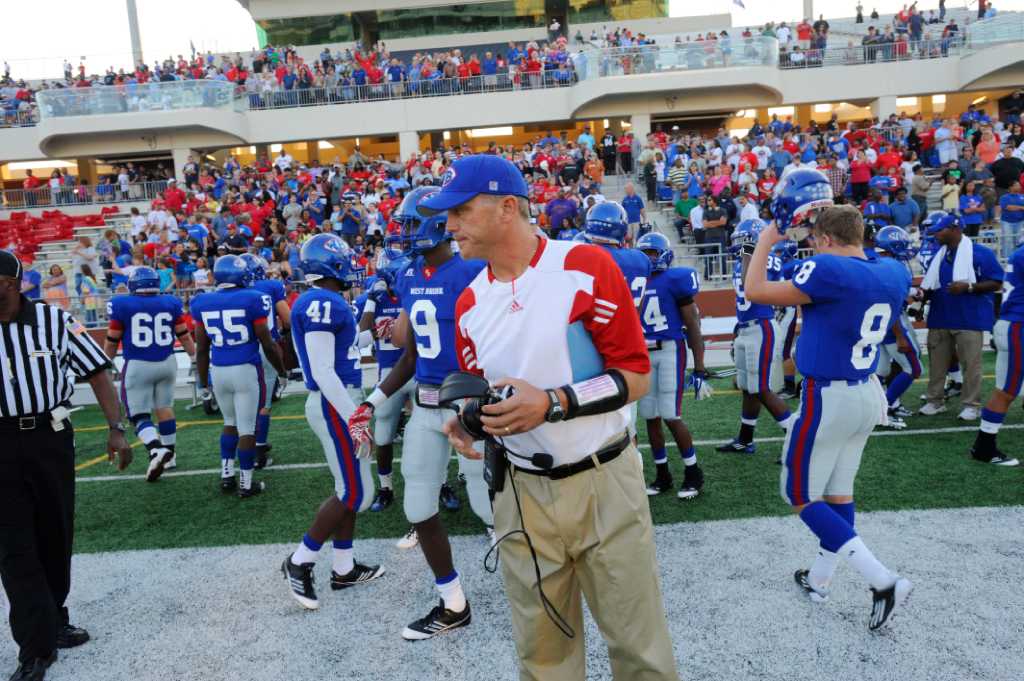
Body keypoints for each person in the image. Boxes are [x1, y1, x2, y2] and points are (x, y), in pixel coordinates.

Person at [429, 154, 680, 680]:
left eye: (461, 210)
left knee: (640, 650)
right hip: (519, 493)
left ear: (506, 208)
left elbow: (635, 375)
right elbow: (490, 389)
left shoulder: (585, 266)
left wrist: (553, 402)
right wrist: (472, 418)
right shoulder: (470, 301)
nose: (449, 225)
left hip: (603, 480)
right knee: (542, 657)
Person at [744, 203, 913, 631]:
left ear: (824, 239)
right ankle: (820, 579)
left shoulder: (825, 268)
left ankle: (882, 580)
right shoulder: (894, 271)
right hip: (866, 393)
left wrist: (768, 238)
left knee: (798, 493)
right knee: (839, 491)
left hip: (829, 396)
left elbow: (756, 291)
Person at [346, 186, 493, 640]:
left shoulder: (474, 270)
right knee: (417, 503)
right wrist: (371, 402)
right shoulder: (410, 275)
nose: (403, 234)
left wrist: (487, 394)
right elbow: (411, 355)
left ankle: (533, 580)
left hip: (470, 404)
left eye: (411, 223)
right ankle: (452, 601)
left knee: (489, 502)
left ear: (436, 223)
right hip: (426, 406)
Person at [0, 250, 132, 681]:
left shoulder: (54, 322)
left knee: (54, 532)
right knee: (13, 545)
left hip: (48, 436)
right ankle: (34, 648)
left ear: (14, 282)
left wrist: (116, 428)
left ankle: (54, 616)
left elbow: (97, 371)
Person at [281, 233, 385, 611]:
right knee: (357, 494)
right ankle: (300, 560)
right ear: (331, 263)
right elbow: (325, 370)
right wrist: (355, 417)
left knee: (349, 487)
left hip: (338, 400)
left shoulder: (323, 300)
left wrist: (373, 332)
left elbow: (342, 351)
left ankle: (343, 567)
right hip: (334, 401)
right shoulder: (321, 301)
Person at [191, 255, 286, 497]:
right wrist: (283, 371)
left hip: (218, 369)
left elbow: (201, 349)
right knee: (247, 428)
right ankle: (246, 483)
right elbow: (267, 342)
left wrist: (203, 382)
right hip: (246, 368)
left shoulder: (202, 301)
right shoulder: (252, 298)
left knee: (229, 423)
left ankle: (226, 475)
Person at [103, 267, 196, 482]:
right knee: (164, 407)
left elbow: (112, 339)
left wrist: (104, 364)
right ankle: (170, 454)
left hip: (138, 364)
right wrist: (193, 356)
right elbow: (183, 334)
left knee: (138, 414)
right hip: (167, 362)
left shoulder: (122, 304)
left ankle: (156, 450)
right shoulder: (171, 302)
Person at [635, 231, 709, 499]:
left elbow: (693, 325)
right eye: (645, 254)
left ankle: (693, 473)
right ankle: (662, 474)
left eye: (653, 253)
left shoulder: (676, 279)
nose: (649, 258)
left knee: (670, 414)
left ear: (664, 254)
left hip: (669, 350)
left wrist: (699, 366)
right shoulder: (635, 282)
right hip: (643, 353)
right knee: (649, 416)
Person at [717, 218, 794, 454]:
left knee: (760, 387)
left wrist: (752, 251)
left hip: (761, 326)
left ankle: (797, 436)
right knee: (748, 387)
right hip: (747, 326)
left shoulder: (764, 258)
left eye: (743, 240)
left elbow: (756, 287)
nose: (738, 244)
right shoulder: (745, 259)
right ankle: (745, 438)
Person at [918, 212, 1004, 421]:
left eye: (941, 230)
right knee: (937, 364)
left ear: (955, 229)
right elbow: (932, 284)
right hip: (940, 316)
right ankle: (934, 400)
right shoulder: (940, 254)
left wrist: (970, 287)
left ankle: (971, 405)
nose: (936, 234)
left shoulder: (981, 253)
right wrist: (921, 296)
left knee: (971, 364)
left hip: (968, 317)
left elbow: (997, 282)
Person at [356, 239, 413, 514]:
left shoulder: (414, 292)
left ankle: (442, 484)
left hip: (418, 370)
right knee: (383, 434)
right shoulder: (374, 298)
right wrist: (369, 301)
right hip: (389, 373)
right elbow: (360, 339)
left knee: (432, 431)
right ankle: (386, 487)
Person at [970, 233, 1024, 467]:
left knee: (1007, 389)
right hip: (1019, 326)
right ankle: (984, 446)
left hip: (1013, 324)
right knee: (1007, 391)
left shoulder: (1019, 253)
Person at [240, 254, 291, 468]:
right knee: (264, 404)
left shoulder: (231, 291)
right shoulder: (271, 286)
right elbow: (286, 318)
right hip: (265, 346)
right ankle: (258, 449)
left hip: (238, 351)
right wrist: (284, 332)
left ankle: (242, 450)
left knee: (243, 403)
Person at [873, 226, 923, 428]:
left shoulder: (876, 264)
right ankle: (885, 408)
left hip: (877, 327)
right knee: (914, 368)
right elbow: (890, 303)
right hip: (892, 325)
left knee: (880, 371)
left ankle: (880, 408)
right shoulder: (892, 268)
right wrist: (900, 335)